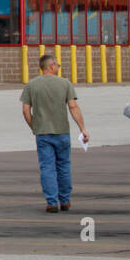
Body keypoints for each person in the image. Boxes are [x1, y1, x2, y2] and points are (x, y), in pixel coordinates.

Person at [20, 54, 89, 213]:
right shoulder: (65, 84)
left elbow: (25, 110)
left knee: (47, 167)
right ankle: (65, 200)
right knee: (64, 166)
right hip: (62, 131)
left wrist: (34, 127)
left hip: (43, 133)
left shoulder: (31, 85)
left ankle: (51, 202)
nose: (58, 67)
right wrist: (82, 129)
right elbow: (73, 107)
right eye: (57, 64)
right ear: (51, 66)